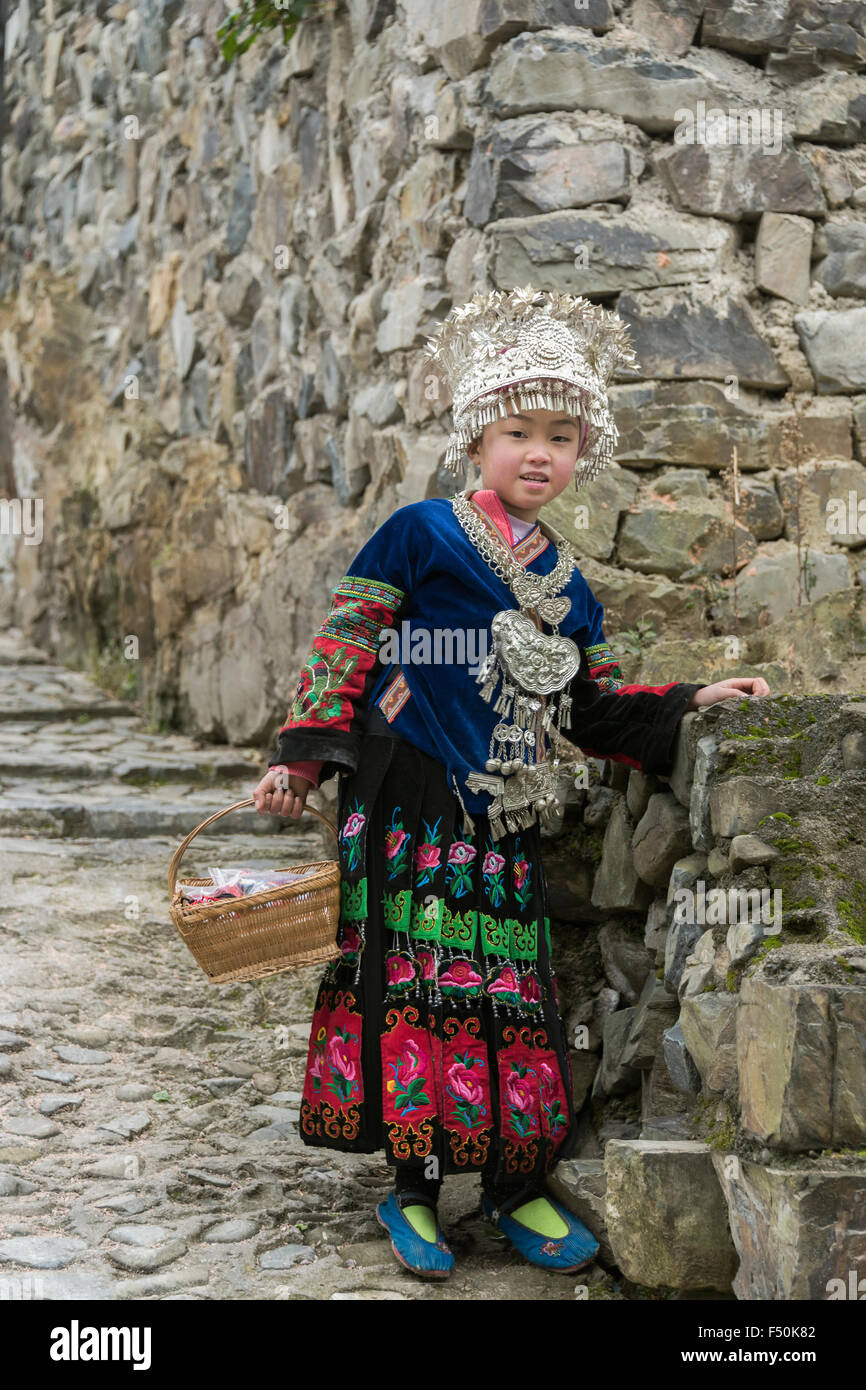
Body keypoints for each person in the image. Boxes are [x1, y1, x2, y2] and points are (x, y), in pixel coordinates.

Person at [252, 285, 770, 1281]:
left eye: (561, 436)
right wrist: (300, 757)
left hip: (501, 817)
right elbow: (348, 641)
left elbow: (589, 704)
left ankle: (507, 1183)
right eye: (517, 430)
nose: (540, 452)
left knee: (503, 995)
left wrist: (690, 697)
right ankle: (410, 1190)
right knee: (406, 983)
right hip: (403, 802)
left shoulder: (568, 585)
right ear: (475, 438)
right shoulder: (419, 534)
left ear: (583, 452)